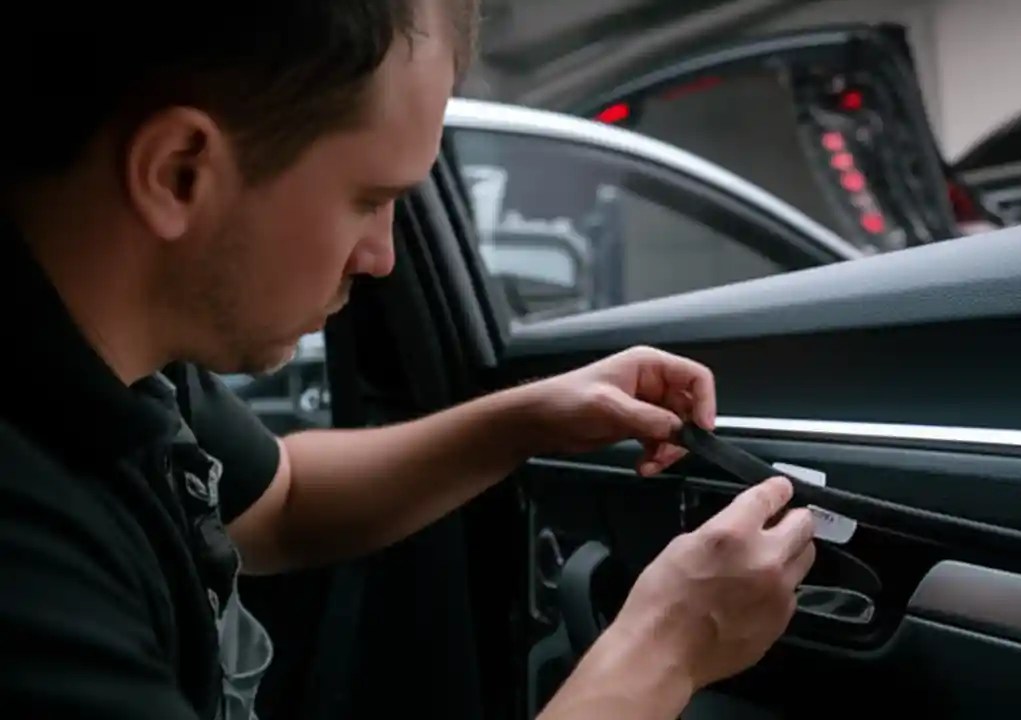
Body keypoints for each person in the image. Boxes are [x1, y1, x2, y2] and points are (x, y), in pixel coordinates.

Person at [0, 2, 817, 719]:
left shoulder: (118, 362)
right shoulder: (30, 569)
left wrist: (525, 420)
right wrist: (662, 654)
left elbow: (277, 502)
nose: (381, 256)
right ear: (179, 173)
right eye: (369, 199)